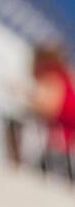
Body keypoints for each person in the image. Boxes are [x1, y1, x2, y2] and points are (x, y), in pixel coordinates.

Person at [29, 43, 75, 180]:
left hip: (61, 148)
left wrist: (27, 97)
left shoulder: (53, 78)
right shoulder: (67, 77)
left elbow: (49, 109)